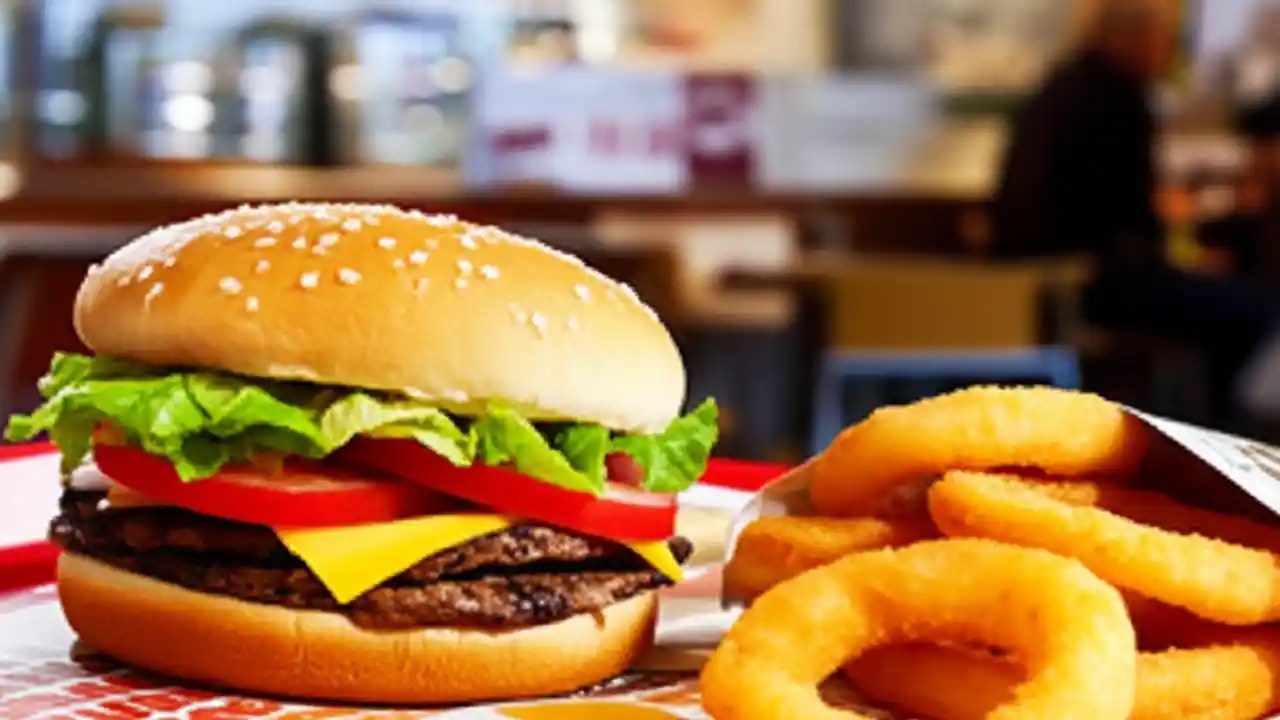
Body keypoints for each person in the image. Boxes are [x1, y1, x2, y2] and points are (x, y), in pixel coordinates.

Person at [992, 0, 1280, 427]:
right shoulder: (1116, 98)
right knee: (1251, 309)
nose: (1168, 53)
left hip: (1047, 279)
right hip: (1087, 281)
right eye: (1164, 41)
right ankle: (1221, 433)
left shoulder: (1064, 86)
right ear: (1134, 39)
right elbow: (1125, 220)